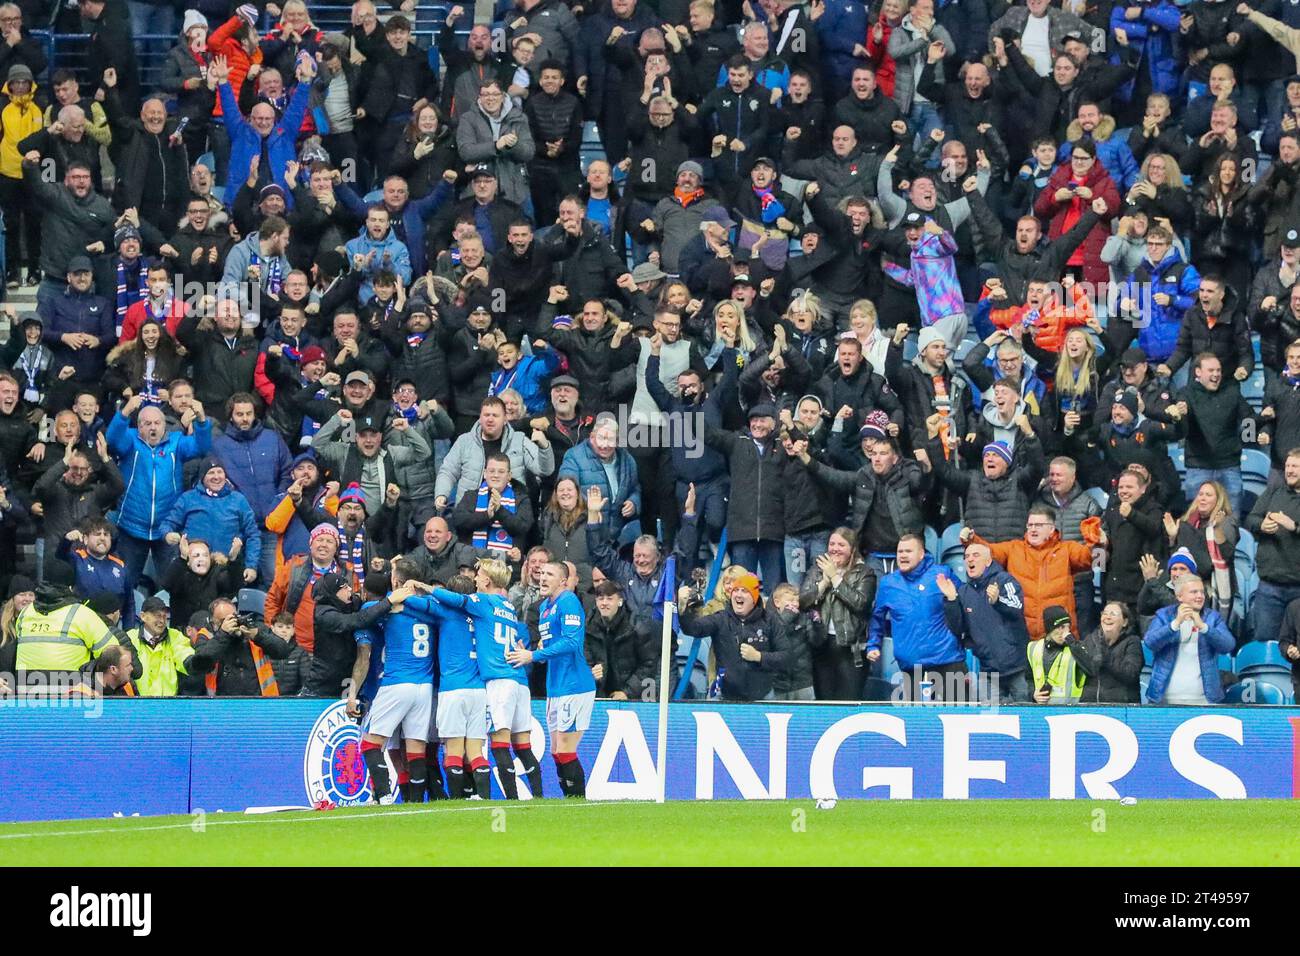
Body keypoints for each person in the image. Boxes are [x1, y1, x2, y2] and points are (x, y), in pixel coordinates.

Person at [106, 391, 211, 589]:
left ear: (165, 425)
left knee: (173, 585)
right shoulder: (130, 440)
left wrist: (202, 420)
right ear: (138, 427)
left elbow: (201, 447)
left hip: (167, 527)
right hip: (131, 526)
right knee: (125, 583)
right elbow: (112, 440)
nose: (153, 427)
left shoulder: (177, 442)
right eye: (147, 424)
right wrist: (125, 412)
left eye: (157, 423)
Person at [867, 532, 967, 700]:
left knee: (959, 720)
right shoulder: (888, 583)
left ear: (921, 554)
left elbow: (967, 602)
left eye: (908, 551)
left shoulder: (942, 574)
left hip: (948, 662)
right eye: (900, 552)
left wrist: (953, 598)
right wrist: (873, 645)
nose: (903, 555)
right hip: (911, 668)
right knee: (917, 724)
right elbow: (877, 618)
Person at [938, 540, 1031, 703]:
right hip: (988, 671)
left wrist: (998, 600)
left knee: (1024, 719)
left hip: (1017, 669)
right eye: (966, 556)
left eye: (975, 555)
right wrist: (951, 600)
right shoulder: (964, 592)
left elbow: (1017, 607)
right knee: (991, 721)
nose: (970, 560)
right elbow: (958, 628)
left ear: (988, 561)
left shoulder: (1004, 580)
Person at [797, 527, 875, 701]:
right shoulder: (817, 569)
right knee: (824, 703)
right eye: (832, 544)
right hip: (821, 645)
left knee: (848, 703)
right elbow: (802, 602)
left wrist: (835, 578)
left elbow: (860, 603)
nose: (835, 548)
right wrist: (824, 582)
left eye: (841, 544)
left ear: (852, 549)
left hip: (851, 650)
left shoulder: (865, 573)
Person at [1143, 575, 1234, 704]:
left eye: (1202, 592)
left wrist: (1204, 627)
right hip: (1165, 699)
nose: (1200, 596)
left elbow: (1228, 645)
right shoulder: (1164, 616)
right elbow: (1150, 642)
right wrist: (1174, 624)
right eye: (1194, 592)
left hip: (1204, 700)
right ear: (1179, 596)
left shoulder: (1212, 618)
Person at [190, 597, 291, 696]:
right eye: (223, 620)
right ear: (212, 622)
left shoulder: (253, 628)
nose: (231, 623)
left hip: (260, 700)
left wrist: (258, 636)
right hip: (221, 702)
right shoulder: (207, 634)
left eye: (233, 618)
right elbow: (199, 665)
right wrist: (223, 634)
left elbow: (283, 651)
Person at [117, 595, 194, 697]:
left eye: (164, 616)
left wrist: (194, 662)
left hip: (167, 706)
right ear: (143, 616)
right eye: (157, 616)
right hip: (137, 705)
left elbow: (184, 653)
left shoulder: (175, 636)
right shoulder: (130, 638)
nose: (162, 621)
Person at [1073, 600, 1144, 703]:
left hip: (1121, 709)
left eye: (1113, 614)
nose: (1107, 617)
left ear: (1125, 622)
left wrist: (1107, 658)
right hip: (1091, 706)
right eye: (1105, 613)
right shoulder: (1091, 639)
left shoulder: (1132, 642)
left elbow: (1131, 674)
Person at [1028, 605, 1087, 702]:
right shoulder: (1033, 648)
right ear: (1049, 628)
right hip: (1040, 711)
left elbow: (1091, 669)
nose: (1064, 632)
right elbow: (1028, 679)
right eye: (1060, 627)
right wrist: (1033, 693)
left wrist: (1072, 642)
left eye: (1067, 627)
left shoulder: (1076, 648)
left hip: (1070, 711)